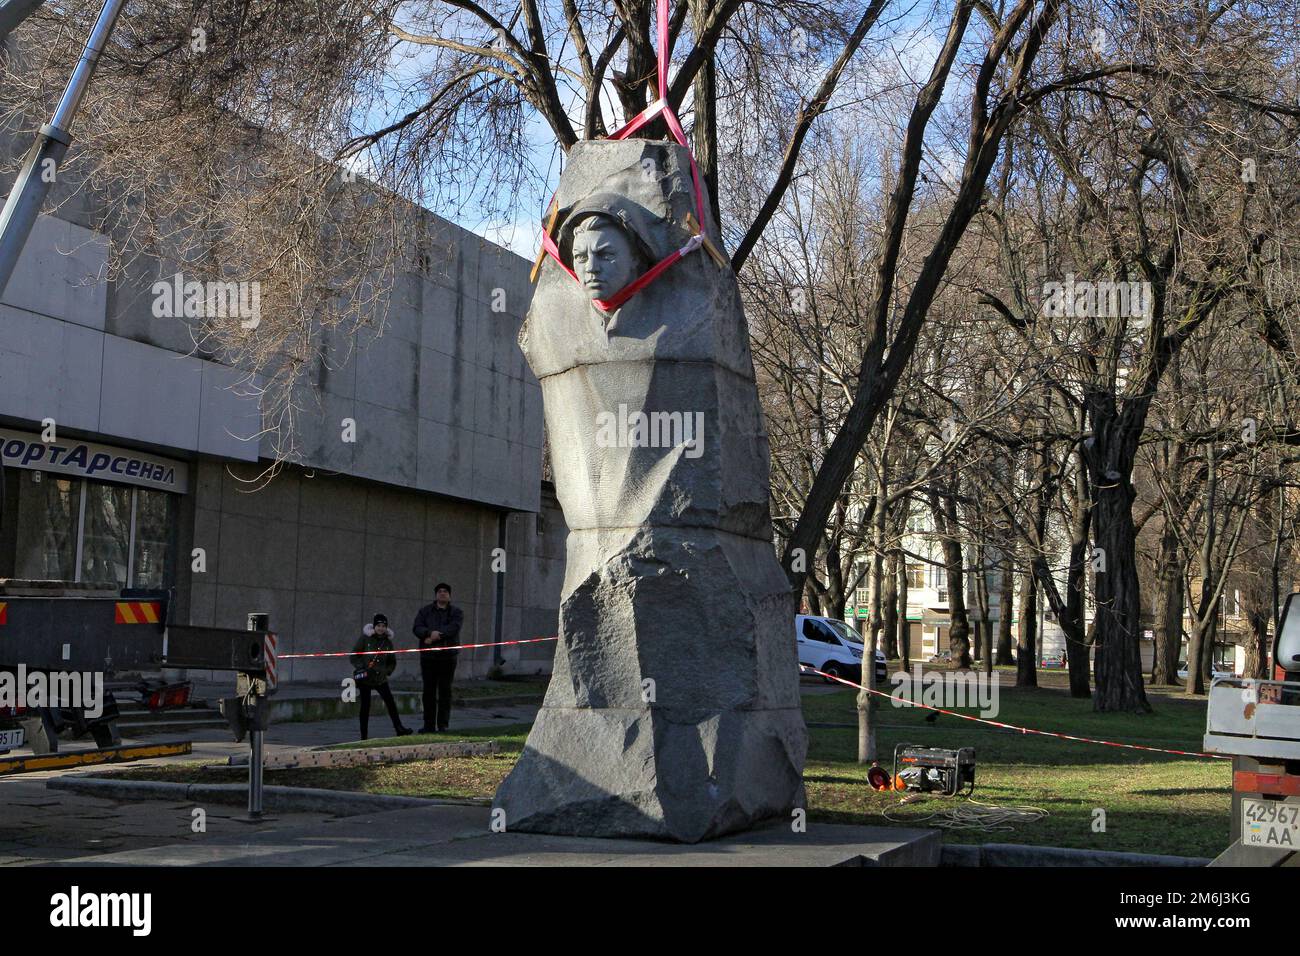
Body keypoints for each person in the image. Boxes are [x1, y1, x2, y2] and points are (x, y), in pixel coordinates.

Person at [350, 613, 413, 740]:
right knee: (365, 706)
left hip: (381, 679)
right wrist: (361, 667)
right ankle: (364, 736)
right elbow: (354, 655)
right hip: (366, 678)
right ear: (374, 626)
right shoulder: (365, 638)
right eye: (378, 625)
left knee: (390, 703)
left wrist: (387, 671)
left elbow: (392, 661)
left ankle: (399, 728)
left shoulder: (387, 642)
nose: (381, 628)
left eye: (383, 626)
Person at [413, 583, 463, 733]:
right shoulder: (425, 611)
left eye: (445, 591)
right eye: (440, 591)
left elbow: (454, 628)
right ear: (436, 595)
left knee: (445, 691)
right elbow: (417, 628)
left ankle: (443, 725)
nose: (442, 594)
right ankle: (428, 725)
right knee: (428, 691)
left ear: (449, 595)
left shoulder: (456, 612)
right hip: (428, 657)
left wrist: (435, 636)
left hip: (447, 657)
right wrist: (428, 633)